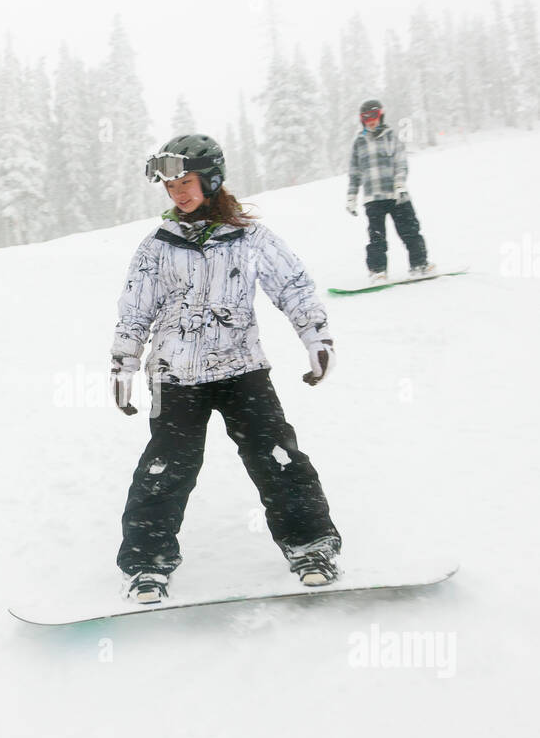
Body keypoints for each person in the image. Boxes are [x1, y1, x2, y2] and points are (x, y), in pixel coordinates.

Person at [110, 132, 341, 604]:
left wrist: (315, 336)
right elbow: (136, 310)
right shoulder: (157, 246)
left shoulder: (250, 238)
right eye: (170, 186)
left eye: (186, 182)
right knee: (165, 469)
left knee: (276, 457)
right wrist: (123, 365)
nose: (178, 193)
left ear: (212, 179)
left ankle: (310, 546)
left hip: (241, 370)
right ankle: (147, 565)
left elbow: (293, 287)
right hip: (176, 375)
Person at [347, 98, 435, 281]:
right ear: (362, 120)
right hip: (373, 198)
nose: (371, 120)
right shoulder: (359, 142)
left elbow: (401, 163)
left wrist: (400, 183)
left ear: (381, 116)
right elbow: (355, 173)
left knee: (410, 231)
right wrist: (351, 197)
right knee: (376, 238)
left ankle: (420, 264)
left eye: (374, 116)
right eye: (367, 117)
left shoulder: (391, 136)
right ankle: (378, 271)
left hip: (397, 195)